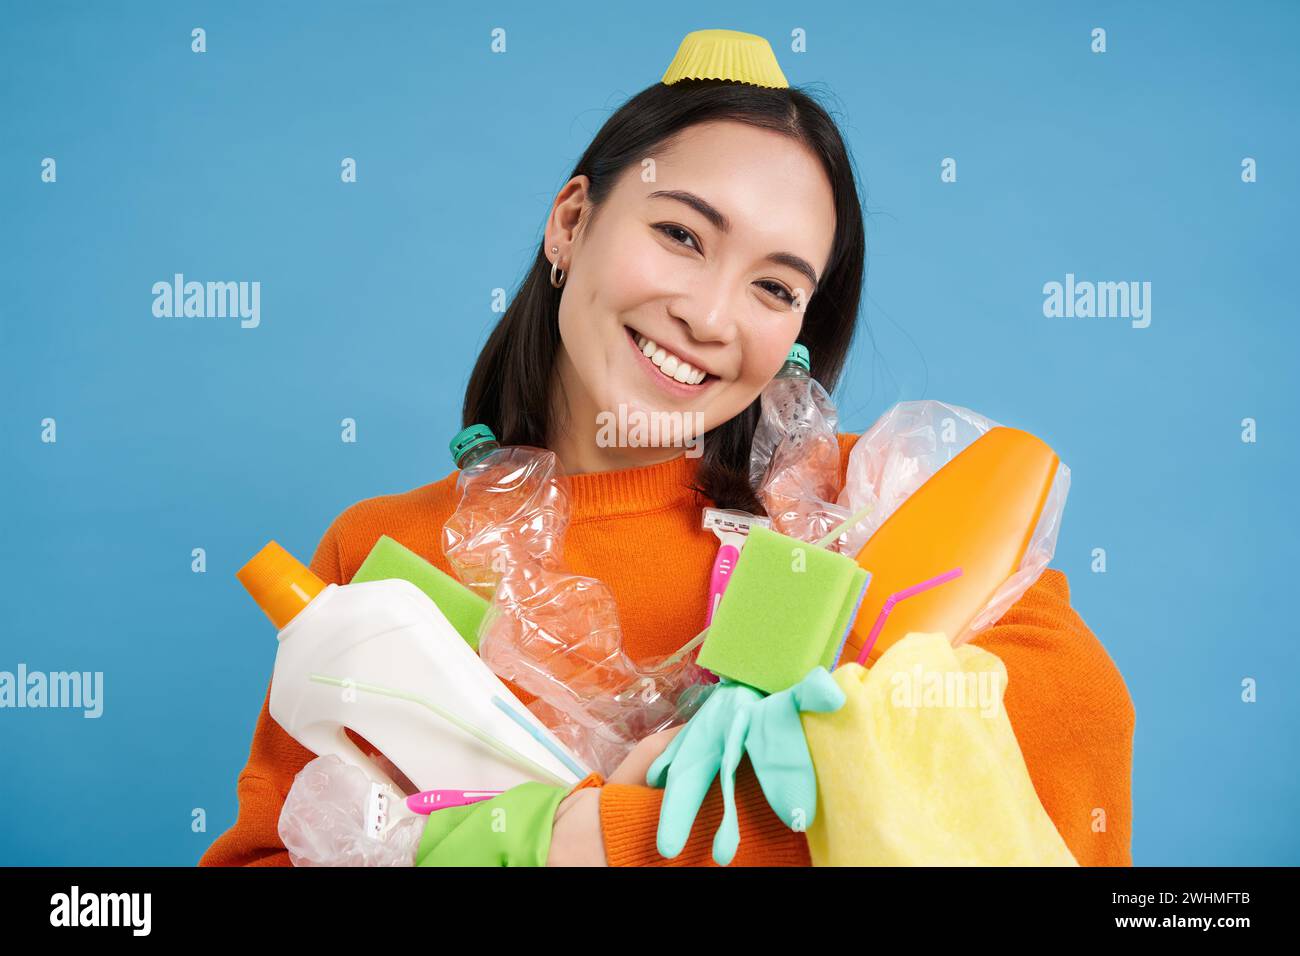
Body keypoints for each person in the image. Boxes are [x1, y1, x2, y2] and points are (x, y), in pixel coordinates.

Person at [200, 31, 1134, 867]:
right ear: (571, 222)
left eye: (775, 288)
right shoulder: (392, 558)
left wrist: (611, 845)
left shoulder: (868, 508)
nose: (709, 315)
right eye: (682, 234)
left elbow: (1069, 736)